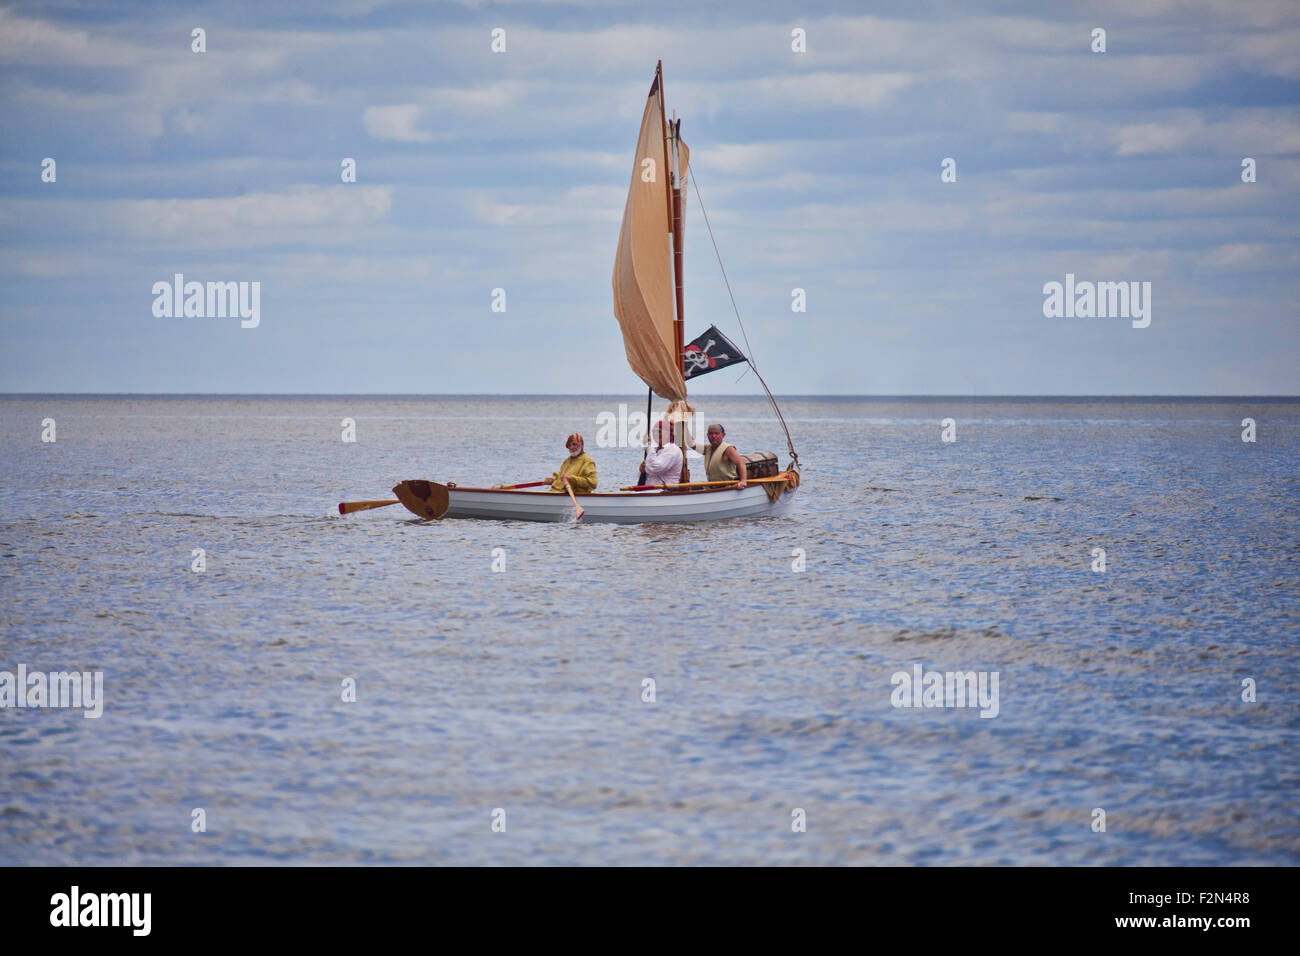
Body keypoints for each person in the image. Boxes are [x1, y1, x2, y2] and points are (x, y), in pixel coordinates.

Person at [687, 422, 747, 488]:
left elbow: (741, 463)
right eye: (711, 433)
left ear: (723, 435)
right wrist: (683, 427)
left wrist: (743, 481)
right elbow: (691, 444)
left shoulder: (729, 449)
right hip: (712, 486)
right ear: (707, 435)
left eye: (717, 433)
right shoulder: (707, 449)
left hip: (728, 486)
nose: (713, 436)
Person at [641, 420, 683, 487]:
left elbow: (656, 468)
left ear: (667, 433)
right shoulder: (654, 450)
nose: (655, 434)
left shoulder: (673, 449)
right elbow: (649, 472)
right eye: (653, 431)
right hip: (650, 491)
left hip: (666, 491)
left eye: (659, 431)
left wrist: (649, 446)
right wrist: (642, 470)